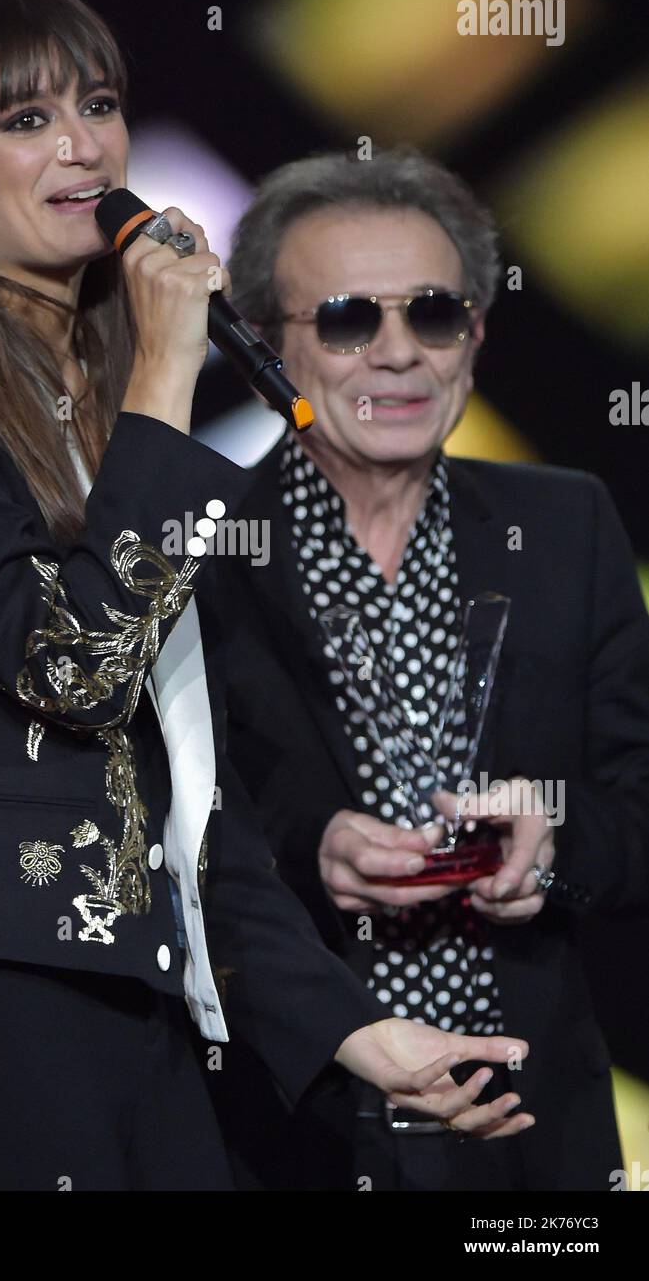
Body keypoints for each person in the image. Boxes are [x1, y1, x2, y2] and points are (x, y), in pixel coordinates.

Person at [0, 0, 530, 1192]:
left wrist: (348, 1029)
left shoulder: (115, 423)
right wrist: (165, 376)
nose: (85, 146)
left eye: (99, 104)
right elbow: (72, 665)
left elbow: (192, 794)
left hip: (164, 1018)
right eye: (25, 120)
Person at [210, 145, 649, 1191]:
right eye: (350, 319)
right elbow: (160, 847)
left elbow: (635, 811)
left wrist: (547, 835)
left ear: (476, 337)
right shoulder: (199, 550)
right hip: (295, 1133)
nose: (398, 353)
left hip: (532, 1133)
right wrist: (311, 847)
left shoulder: (565, 522)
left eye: (435, 315)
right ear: (269, 345)